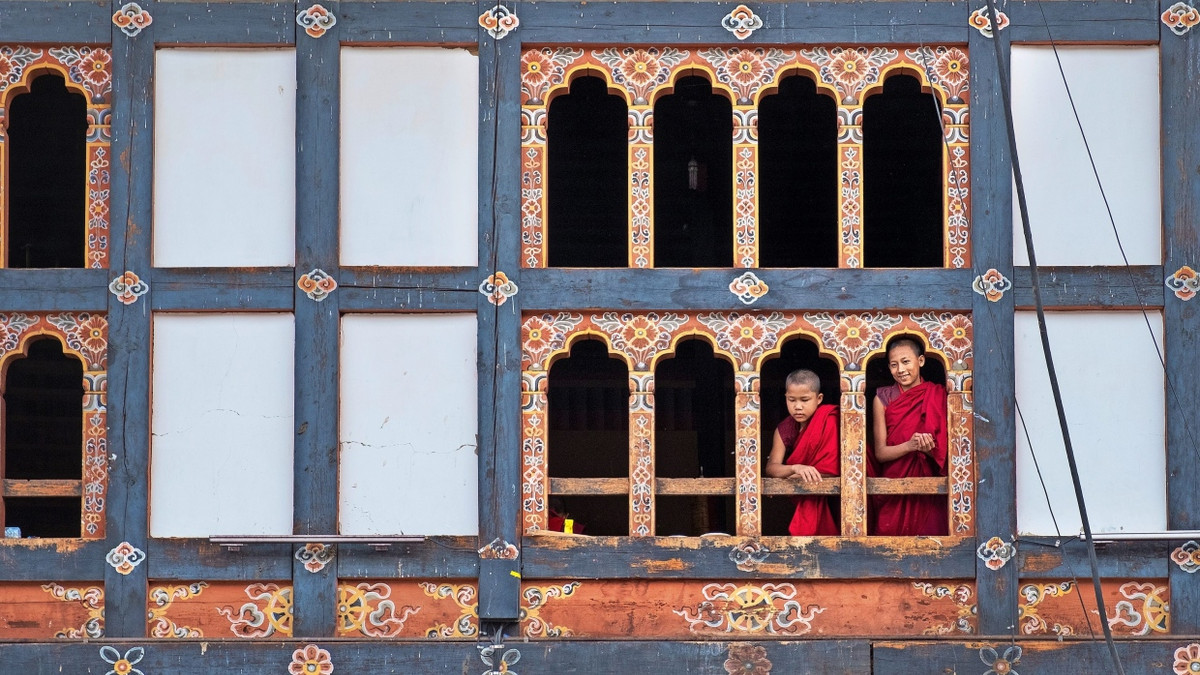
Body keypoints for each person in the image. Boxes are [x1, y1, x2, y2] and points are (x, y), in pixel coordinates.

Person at [871, 337, 948, 536]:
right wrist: (910, 445)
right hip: (894, 486)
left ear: (920, 361)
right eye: (894, 365)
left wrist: (927, 449)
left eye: (906, 362)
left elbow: (946, 454)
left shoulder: (937, 395)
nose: (901, 370)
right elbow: (880, 453)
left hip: (929, 486)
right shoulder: (882, 399)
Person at [765, 369, 840, 536]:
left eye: (805, 400)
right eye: (791, 400)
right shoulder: (784, 429)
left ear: (819, 398)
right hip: (810, 495)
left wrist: (786, 478)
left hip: (840, 500)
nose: (797, 407)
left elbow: (832, 469)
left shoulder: (831, 420)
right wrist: (795, 468)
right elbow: (771, 468)